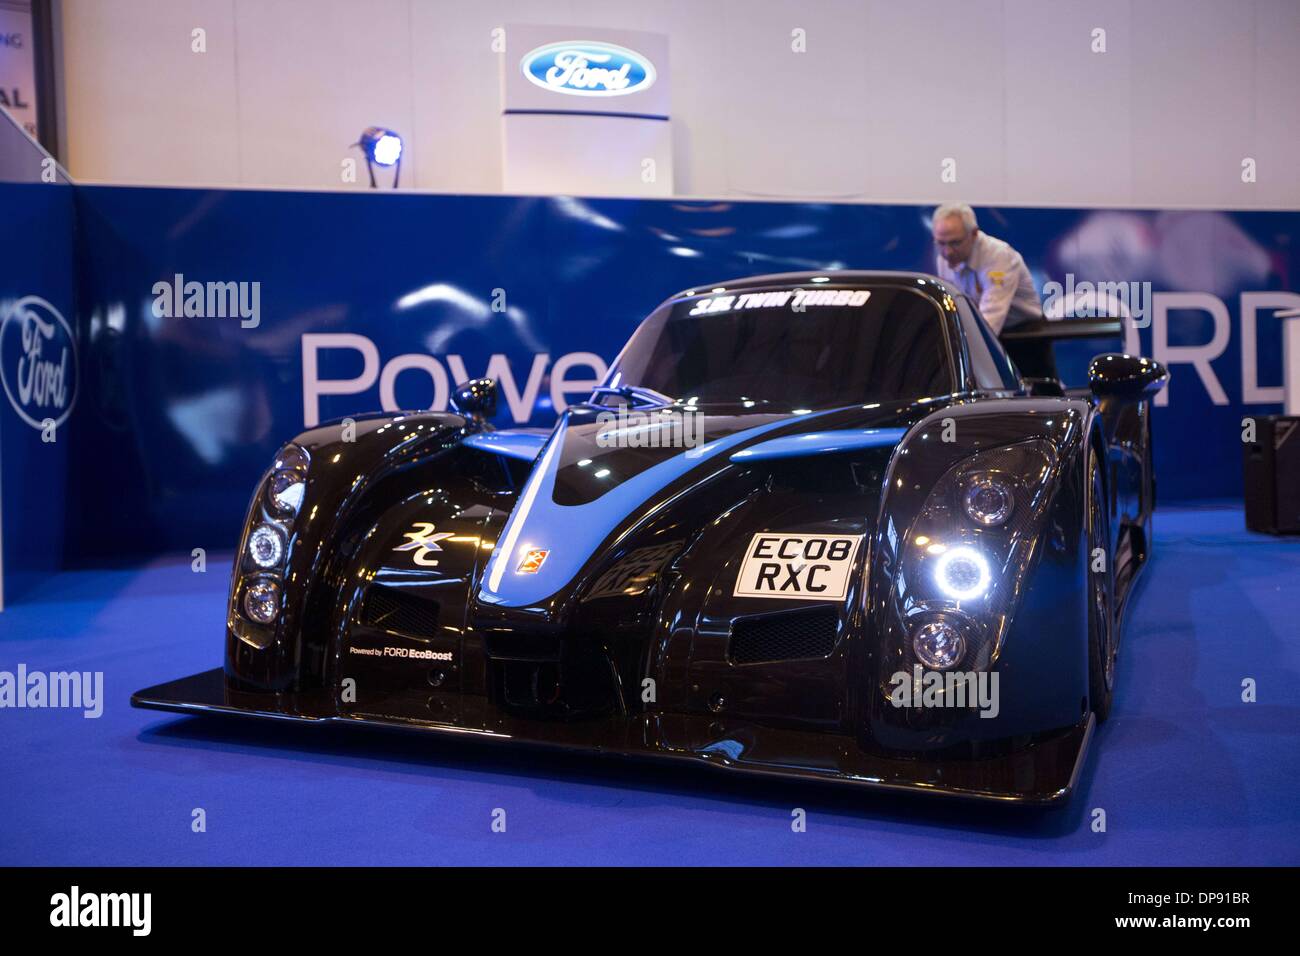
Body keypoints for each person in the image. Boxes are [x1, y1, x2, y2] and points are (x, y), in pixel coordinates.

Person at [931, 202, 1056, 379]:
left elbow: (991, 320)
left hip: (1024, 334)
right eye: (941, 243)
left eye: (955, 243)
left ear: (974, 234)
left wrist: (954, 351)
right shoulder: (943, 257)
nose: (947, 252)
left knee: (1044, 395)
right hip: (982, 332)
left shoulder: (999, 256)